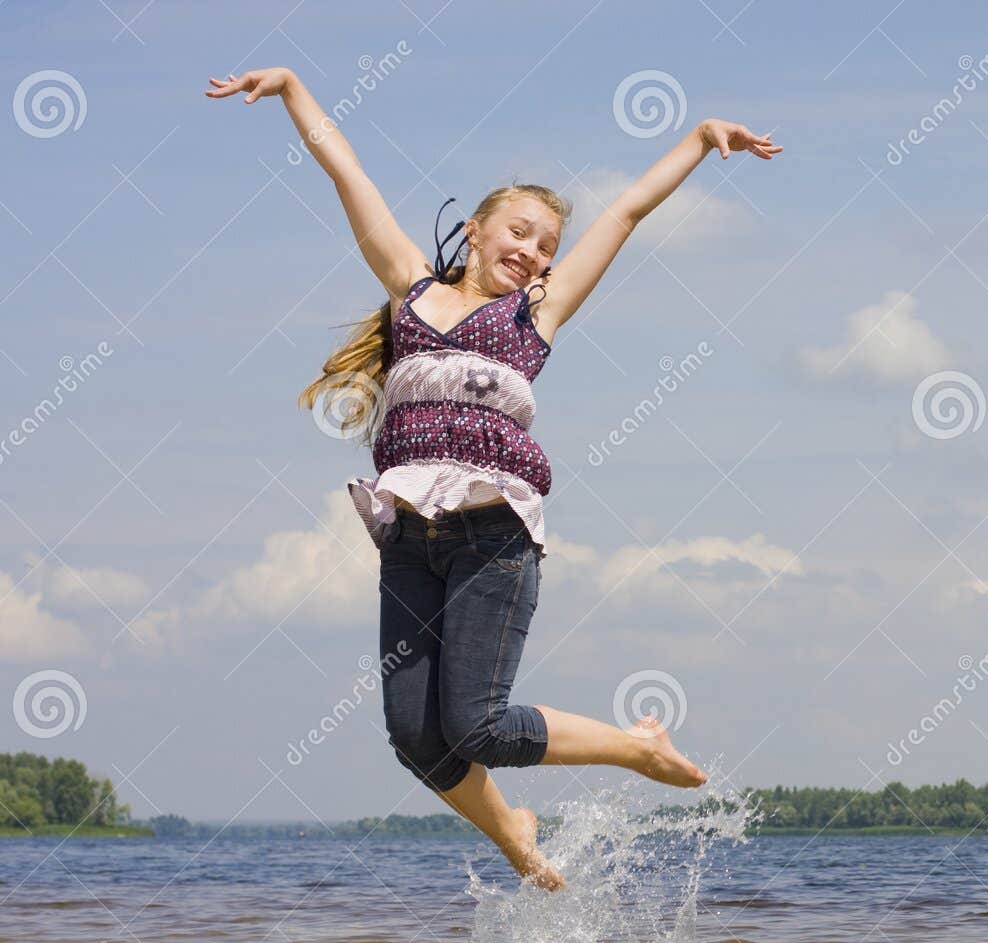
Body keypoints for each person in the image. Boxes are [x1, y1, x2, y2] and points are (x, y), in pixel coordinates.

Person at [206, 67, 781, 890]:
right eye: (519, 232)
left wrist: (696, 140)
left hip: (493, 536)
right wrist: (294, 89)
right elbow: (349, 173)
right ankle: (513, 827)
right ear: (474, 229)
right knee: (414, 734)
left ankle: (635, 747)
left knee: (474, 725)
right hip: (408, 536)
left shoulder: (533, 315)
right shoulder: (408, 291)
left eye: (546, 245)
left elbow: (622, 212)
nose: (532, 252)